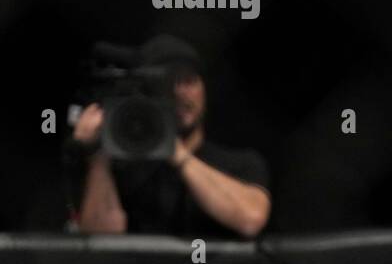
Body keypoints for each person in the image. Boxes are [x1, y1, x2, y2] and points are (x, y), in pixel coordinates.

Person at [67, 34, 271, 238]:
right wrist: (98, 156)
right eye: (166, 83)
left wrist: (176, 152)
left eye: (188, 81)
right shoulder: (124, 170)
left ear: (204, 88)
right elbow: (101, 239)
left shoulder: (241, 164)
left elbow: (250, 219)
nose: (179, 93)